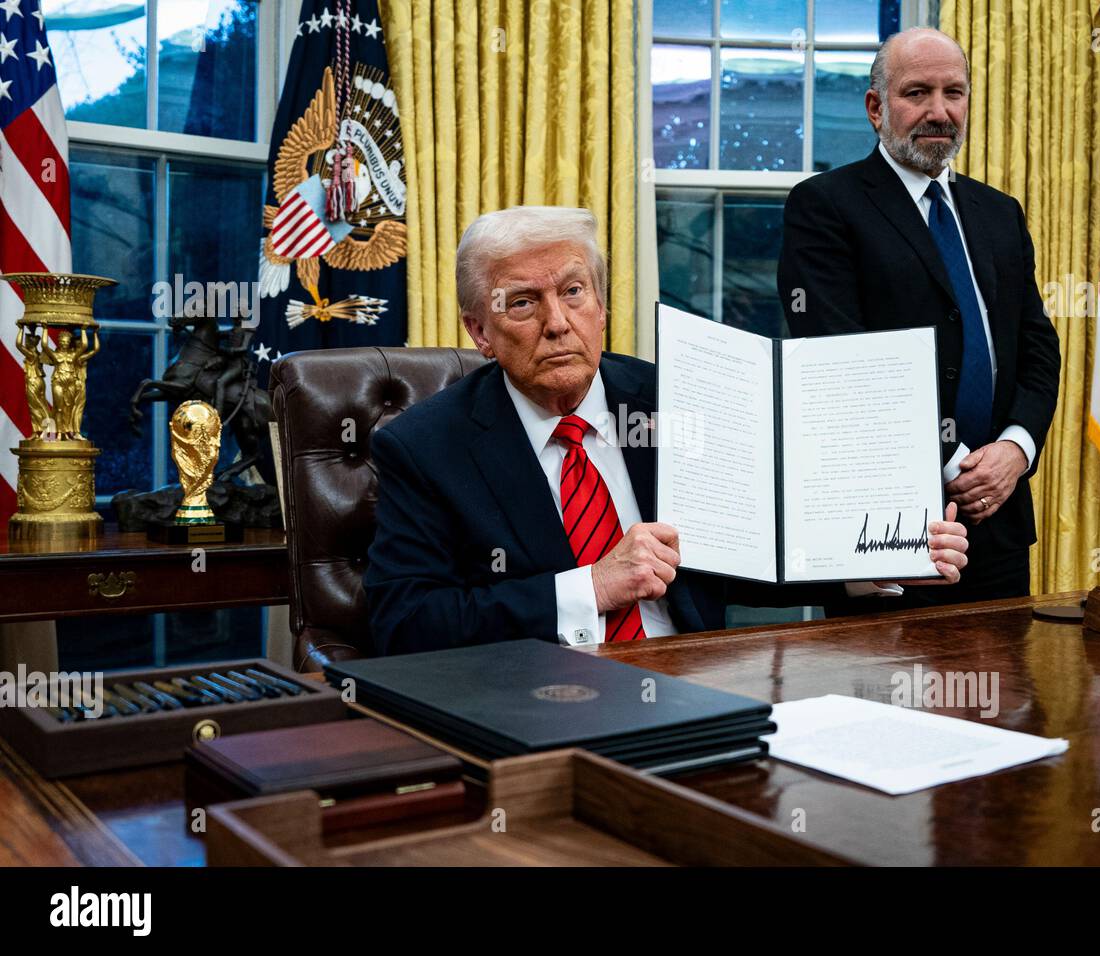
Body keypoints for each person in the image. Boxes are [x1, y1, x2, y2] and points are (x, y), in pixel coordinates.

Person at [366, 205, 970, 654]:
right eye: (522, 303)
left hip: (700, 679)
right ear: (480, 331)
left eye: (574, 292)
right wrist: (592, 587)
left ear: (601, 305)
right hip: (545, 702)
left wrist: (875, 561)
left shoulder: (676, 400)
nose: (558, 323)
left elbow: (743, 556)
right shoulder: (425, 447)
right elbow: (404, 619)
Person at [777, 27, 1060, 611]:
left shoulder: (999, 213)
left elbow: (1037, 348)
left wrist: (1015, 449)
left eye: (953, 93)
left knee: (1002, 698)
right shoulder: (825, 205)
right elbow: (837, 361)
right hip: (889, 532)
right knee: (887, 695)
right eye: (918, 93)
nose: (939, 111)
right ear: (876, 108)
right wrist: (952, 459)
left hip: (1000, 523)